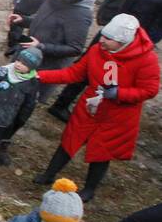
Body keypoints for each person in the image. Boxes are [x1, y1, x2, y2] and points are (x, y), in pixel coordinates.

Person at [34, 13, 160, 202]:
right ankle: (49, 174)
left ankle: (89, 189)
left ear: (123, 41)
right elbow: (73, 73)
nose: (102, 40)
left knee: (102, 151)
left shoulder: (146, 59)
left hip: (118, 115)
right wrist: (39, 76)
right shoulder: (96, 50)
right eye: (103, 35)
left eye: (108, 39)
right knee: (70, 139)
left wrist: (119, 93)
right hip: (90, 106)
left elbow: (149, 90)